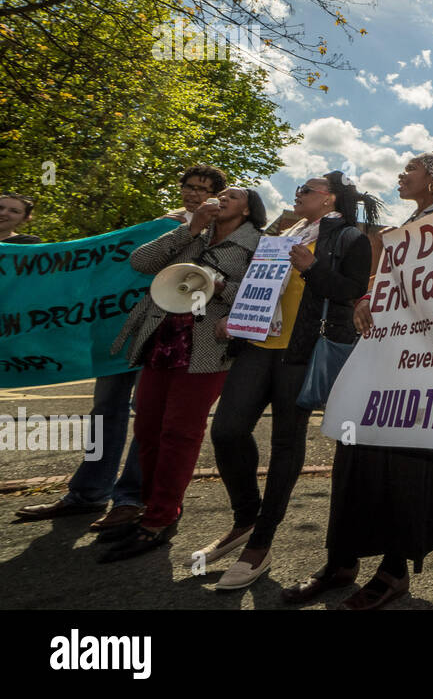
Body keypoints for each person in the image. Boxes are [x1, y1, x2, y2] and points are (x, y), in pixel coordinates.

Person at [283, 154, 433, 610]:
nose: (402, 175)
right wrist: (368, 297)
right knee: (356, 450)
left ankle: (393, 571)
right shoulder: (414, 222)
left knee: (403, 463)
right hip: (383, 351)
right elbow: (395, 282)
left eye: (413, 169)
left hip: (422, 363)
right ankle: (341, 561)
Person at [15, 165, 229, 531]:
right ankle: (86, 492)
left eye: (203, 190)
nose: (193, 194)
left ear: (215, 196)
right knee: (105, 410)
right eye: (189, 187)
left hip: (166, 338)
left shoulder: (219, 231)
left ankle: (131, 498)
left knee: (150, 420)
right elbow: (132, 263)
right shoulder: (160, 225)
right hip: (121, 333)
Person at [204, 171, 378, 590]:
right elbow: (259, 286)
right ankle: (246, 518)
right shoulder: (283, 235)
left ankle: (260, 544)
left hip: (300, 352)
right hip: (258, 345)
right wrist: (237, 316)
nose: (297, 195)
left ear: (329, 199)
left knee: (285, 441)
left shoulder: (348, 238)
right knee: (226, 431)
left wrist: (314, 267)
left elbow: (351, 290)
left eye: (306, 190)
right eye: (298, 189)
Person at [97, 187, 263, 561]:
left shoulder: (258, 243)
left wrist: (219, 288)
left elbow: (260, 294)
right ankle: (151, 507)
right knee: (148, 428)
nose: (222, 199)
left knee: (180, 432)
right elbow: (141, 261)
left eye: (232, 196)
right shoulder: (194, 229)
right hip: (163, 338)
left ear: (250, 209)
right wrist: (189, 228)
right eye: (219, 194)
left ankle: (159, 518)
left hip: (206, 347)